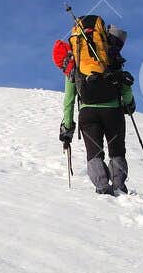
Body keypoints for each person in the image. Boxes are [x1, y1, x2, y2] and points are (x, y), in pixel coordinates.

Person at [56, 28, 135, 195]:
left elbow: (69, 100)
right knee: (117, 150)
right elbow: (124, 86)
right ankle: (119, 186)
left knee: (94, 153)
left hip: (88, 113)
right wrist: (129, 104)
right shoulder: (110, 58)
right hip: (113, 112)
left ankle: (102, 188)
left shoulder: (76, 65)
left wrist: (67, 126)